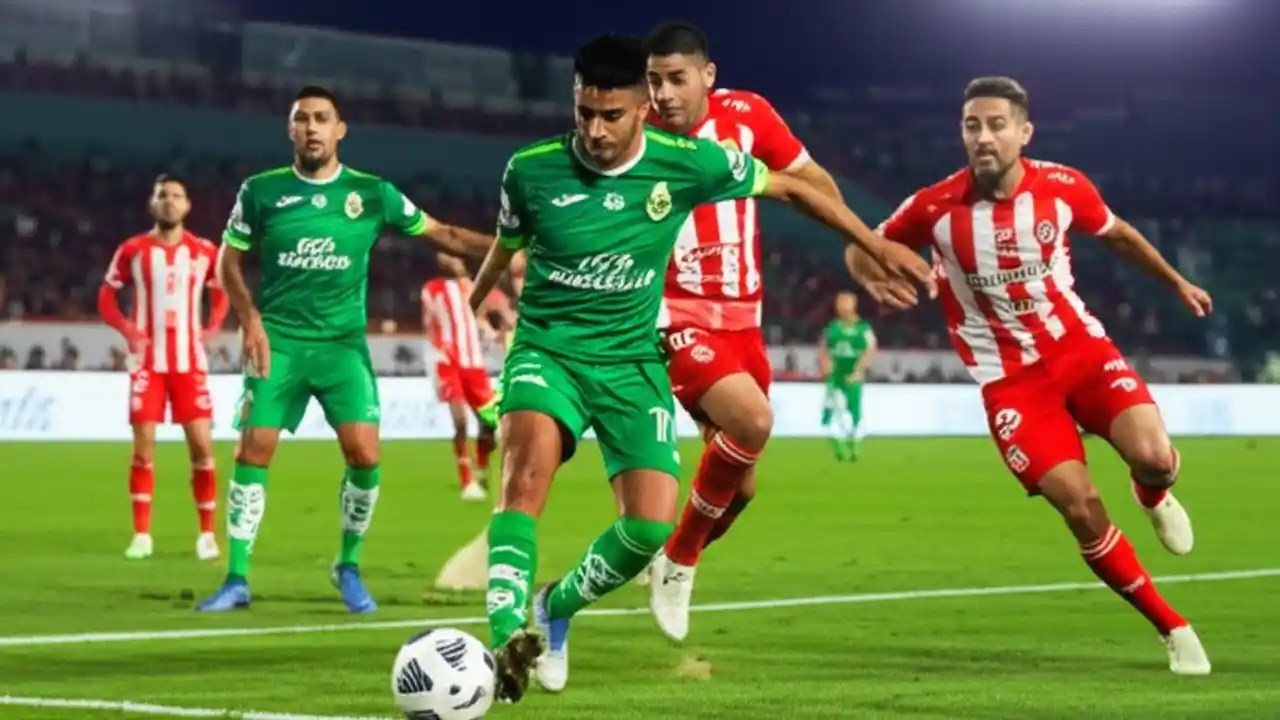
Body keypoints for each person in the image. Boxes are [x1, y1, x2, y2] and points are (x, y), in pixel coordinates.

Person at [466, 33, 932, 703]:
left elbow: (794, 189)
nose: (595, 131)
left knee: (649, 527)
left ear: (639, 111)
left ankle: (556, 606)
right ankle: (507, 637)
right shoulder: (530, 169)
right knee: (526, 479)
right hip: (551, 350)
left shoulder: (690, 161)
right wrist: (475, 304)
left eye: (611, 116)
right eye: (584, 114)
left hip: (631, 360)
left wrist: (872, 244)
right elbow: (506, 244)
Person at [847, 76, 1212, 675]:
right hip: (1011, 383)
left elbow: (1118, 235)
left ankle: (1154, 493)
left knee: (1154, 456)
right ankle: (1172, 627)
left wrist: (1176, 283)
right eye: (972, 126)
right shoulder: (933, 207)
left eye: (996, 125)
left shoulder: (1064, 187)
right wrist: (868, 273)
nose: (983, 137)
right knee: (1080, 506)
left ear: (1024, 132)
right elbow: (862, 244)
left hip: (1081, 352)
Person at [196, 85, 493, 613]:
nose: (312, 127)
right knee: (253, 449)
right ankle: (237, 578)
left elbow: (445, 234)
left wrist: (508, 250)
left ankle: (347, 566)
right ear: (290, 130)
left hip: (342, 348)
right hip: (280, 343)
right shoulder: (261, 192)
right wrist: (251, 319)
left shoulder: (372, 194)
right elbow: (227, 262)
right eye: (302, 119)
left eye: (322, 118)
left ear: (340, 130)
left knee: (365, 454)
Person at [639, 21, 855, 640]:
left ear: (707, 76)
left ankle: (660, 555)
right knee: (754, 422)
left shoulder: (749, 115)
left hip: (744, 322)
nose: (664, 93)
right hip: (672, 315)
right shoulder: (634, 135)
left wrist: (856, 241)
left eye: (677, 78)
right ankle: (680, 562)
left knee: (741, 491)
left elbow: (809, 181)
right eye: (654, 80)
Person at [98, 174, 227, 561]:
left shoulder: (204, 251)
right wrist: (128, 331)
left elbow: (222, 291)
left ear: (187, 205)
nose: (169, 201)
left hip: (189, 364)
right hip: (148, 365)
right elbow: (107, 296)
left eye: (176, 196)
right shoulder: (133, 249)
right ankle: (142, 534)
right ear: (152, 204)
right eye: (162, 195)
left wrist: (212, 328)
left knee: (202, 447)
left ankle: (206, 534)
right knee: (143, 447)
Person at [421, 252, 505, 501]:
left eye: (455, 257)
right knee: (460, 421)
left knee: (489, 421)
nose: (452, 260)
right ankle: (466, 480)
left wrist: (492, 334)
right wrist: (434, 353)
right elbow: (429, 323)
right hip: (448, 362)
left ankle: (482, 470)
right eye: (447, 257)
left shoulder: (470, 285)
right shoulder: (432, 289)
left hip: (473, 364)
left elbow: (479, 317)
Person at [819, 291, 877, 460]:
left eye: (845, 302)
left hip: (853, 375)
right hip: (835, 376)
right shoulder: (832, 327)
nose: (841, 306)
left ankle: (855, 445)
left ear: (853, 305)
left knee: (854, 411)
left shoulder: (863, 328)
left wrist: (859, 371)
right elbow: (824, 349)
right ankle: (838, 446)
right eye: (839, 302)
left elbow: (871, 349)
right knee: (833, 410)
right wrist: (826, 367)